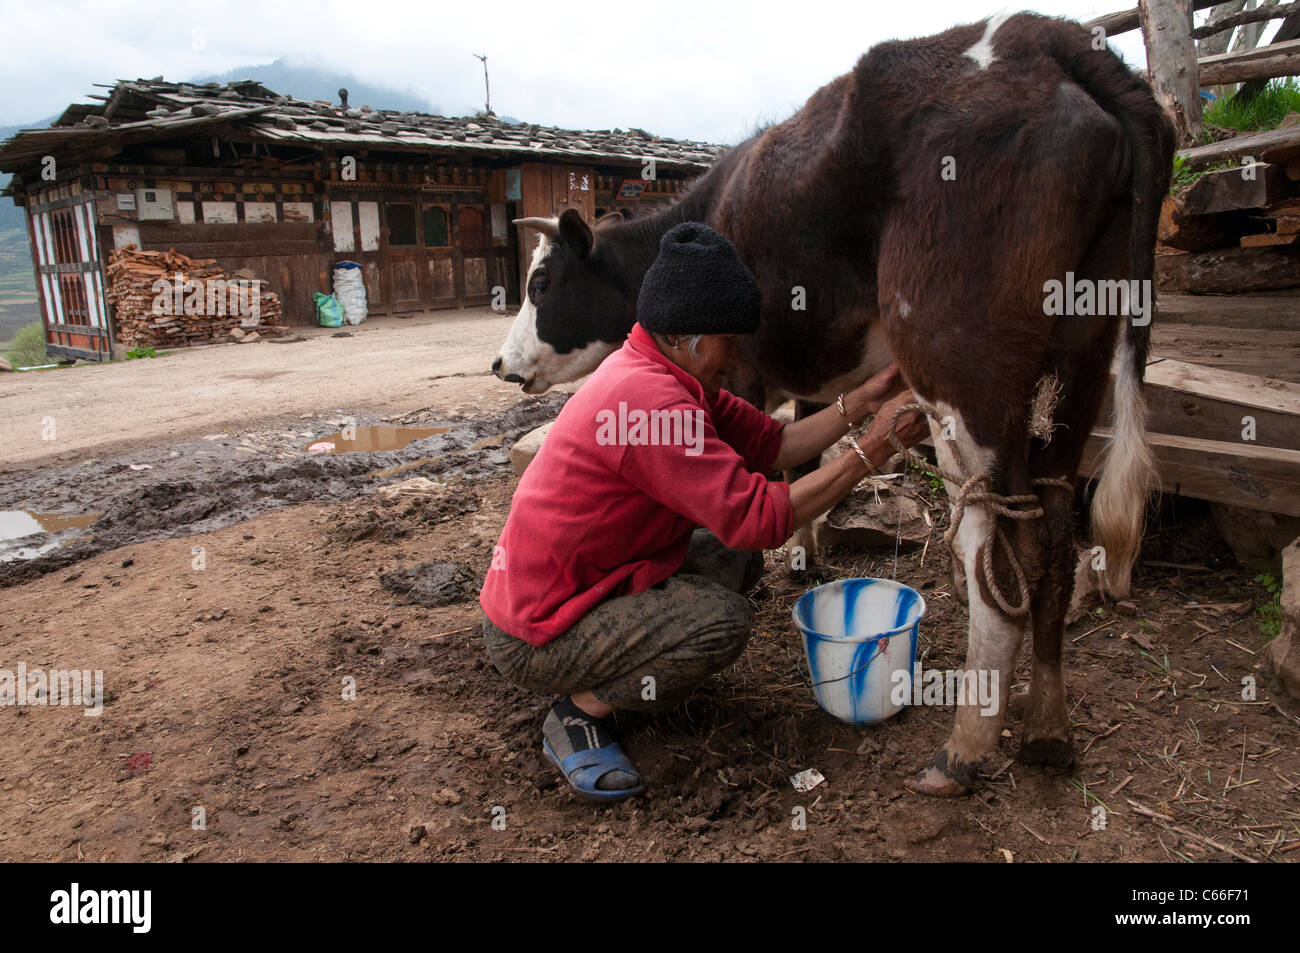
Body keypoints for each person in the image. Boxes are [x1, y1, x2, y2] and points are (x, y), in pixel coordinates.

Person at [480, 221, 929, 801]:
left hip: (579, 581)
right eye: (729, 339)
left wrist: (863, 400)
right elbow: (761, 521)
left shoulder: (667, 374)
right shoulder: (650, 404)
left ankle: (629, 663)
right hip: (535, 630)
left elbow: (776, 444)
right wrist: (873, 451)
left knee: (730, 560)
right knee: (722, 621)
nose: (738, 356)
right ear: (688, 337)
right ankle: (577, 713)